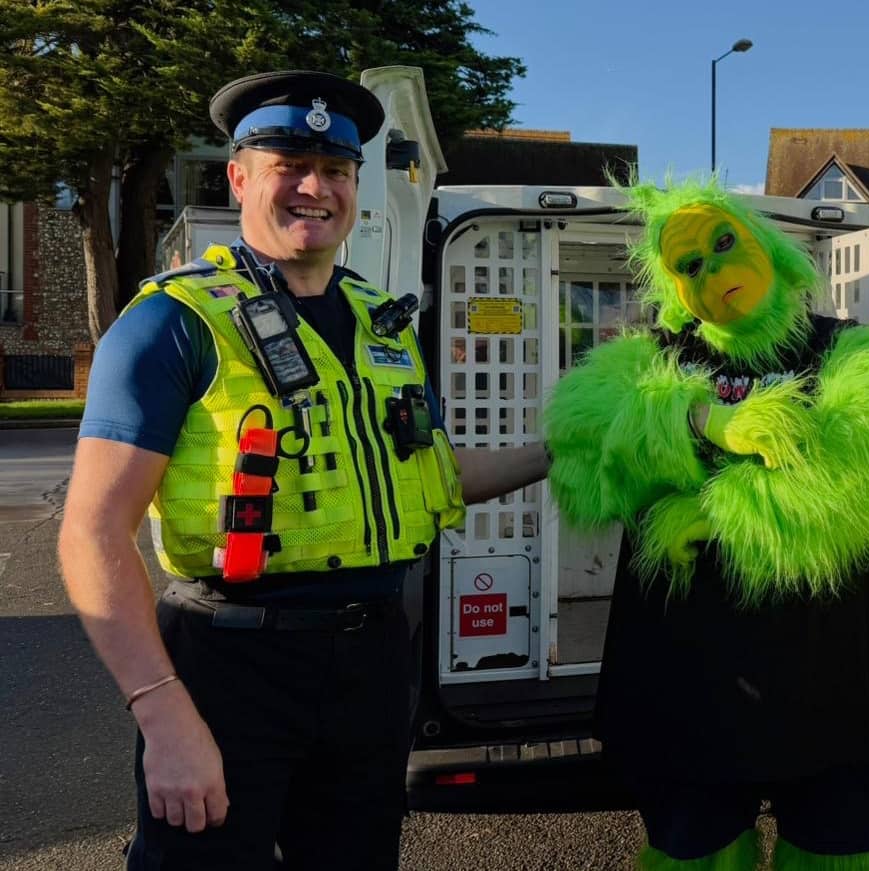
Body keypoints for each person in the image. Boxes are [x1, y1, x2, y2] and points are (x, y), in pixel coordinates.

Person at [58, 70, 548, 870]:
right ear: (240, 177)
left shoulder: (381, 324)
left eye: (337, 170)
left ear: (355, 184)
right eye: (289, 163)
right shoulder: (170, 323)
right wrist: (162, 713)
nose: (315, 187)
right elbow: (90, 532)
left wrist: (563, 450)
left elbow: (433, 474)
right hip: (228, 666)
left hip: (370, 665)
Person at [543, 179, 869, 869]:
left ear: (772, 251)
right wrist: (697, 421)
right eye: (686, 266)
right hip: (681, 689)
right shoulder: (643, 363)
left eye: (724, 245)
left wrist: (697, 507)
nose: (712, 271)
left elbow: (851, 488)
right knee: (695, 854)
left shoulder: (854, 354)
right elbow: (583, 462)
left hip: (833, 685)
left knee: (841, 855)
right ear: (671, 287)